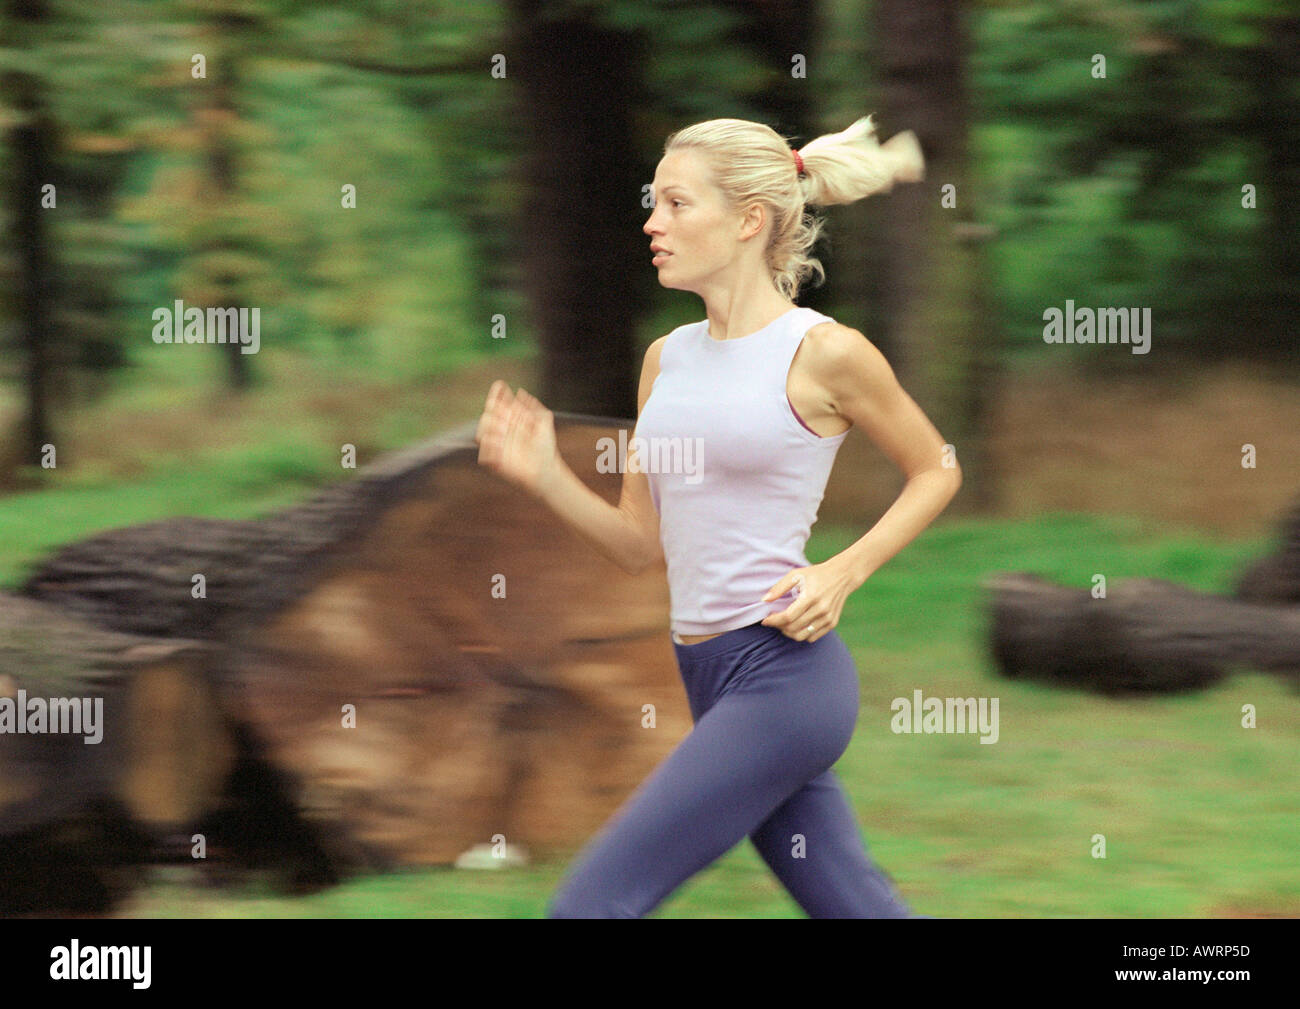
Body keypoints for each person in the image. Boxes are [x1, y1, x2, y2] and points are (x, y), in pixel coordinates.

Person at [476, 115, 959, 918]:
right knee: (856, 906)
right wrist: (545, 475)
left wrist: (843, 571)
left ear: (748, 221)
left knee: (589, 906)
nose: (651, 222)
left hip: (785, 678)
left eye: (674, 203)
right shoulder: (666, 360)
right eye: (653, 203)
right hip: (705, 673)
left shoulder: (823, 353)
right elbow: (638, 544)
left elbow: (937, 468)